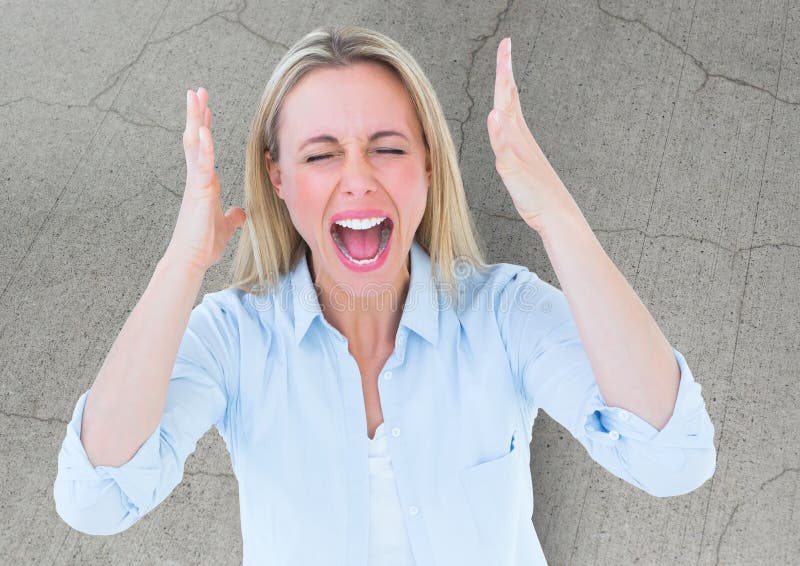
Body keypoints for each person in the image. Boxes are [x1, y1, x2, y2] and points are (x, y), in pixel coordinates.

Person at [53, 25, 716, 566]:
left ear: (429, 164)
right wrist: (183, 261)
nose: (358, 179)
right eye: (320, 156)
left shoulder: (504, 313)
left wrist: (557, 216)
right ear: (277, 178)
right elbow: (96, 498)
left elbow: (672, 457)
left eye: (388, 148)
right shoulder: (234, 338)